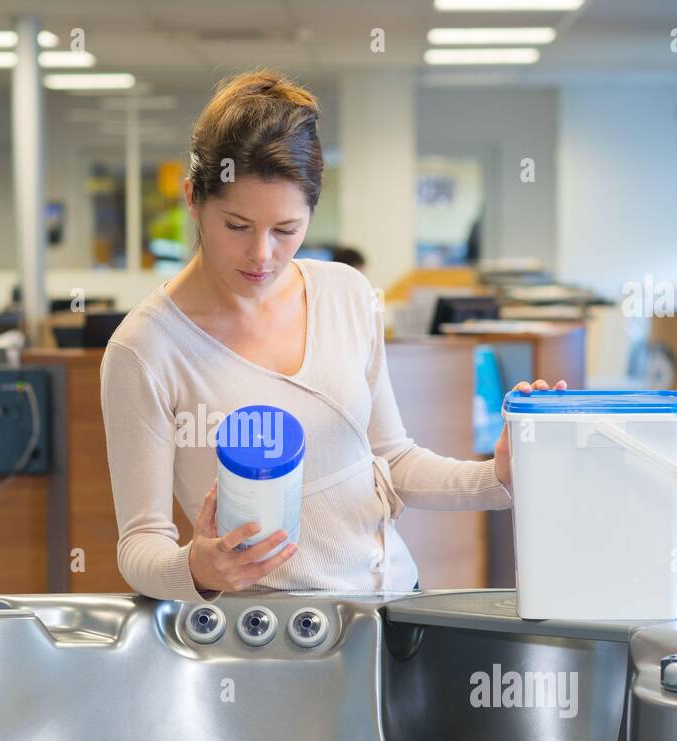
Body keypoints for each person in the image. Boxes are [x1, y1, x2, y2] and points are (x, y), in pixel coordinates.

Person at [100, 69, 564, 602]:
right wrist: (197, 569)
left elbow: (393, 460)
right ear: (192, 198)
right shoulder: (146, 349)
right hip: (267, 629)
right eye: (236, 226)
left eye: (286, 230)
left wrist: (498, 477)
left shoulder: (346, 294)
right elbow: (140, 543)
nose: (261, 255)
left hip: (391, 602)